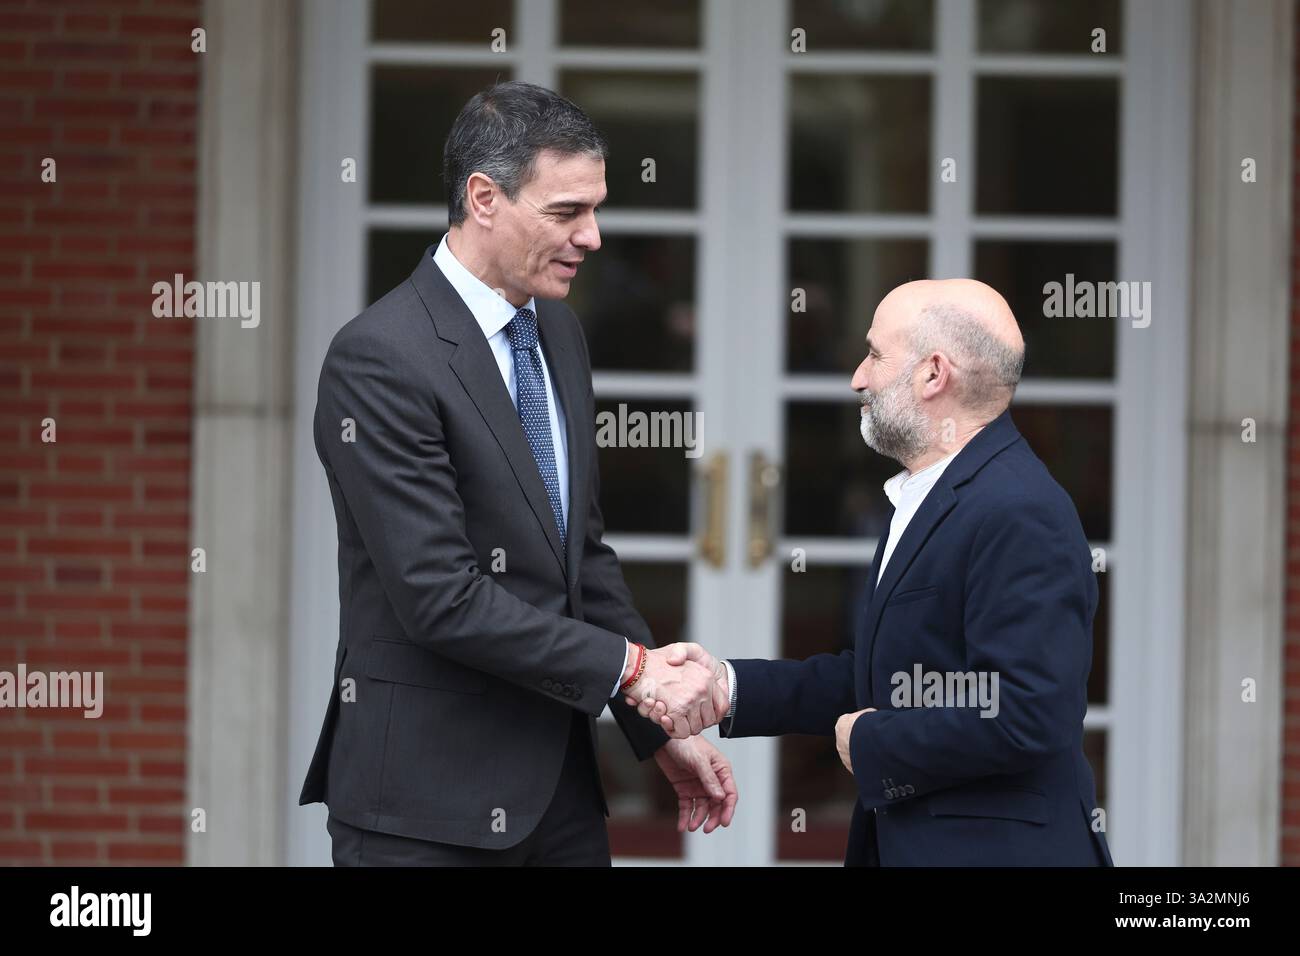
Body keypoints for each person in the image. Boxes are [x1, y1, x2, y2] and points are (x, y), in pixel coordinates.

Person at [299, 80, 735, 866]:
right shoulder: (379, 358)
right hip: (423, 810)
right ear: (483, 199)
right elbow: (440, 597)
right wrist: (635, 671)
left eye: (595, 209)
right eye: (566, 212)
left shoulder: (558, 333)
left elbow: (581, 559)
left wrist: (656, 725)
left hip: (559, 798)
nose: (592, 237)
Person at [633, 279, 1113, 866]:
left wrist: (869, 741)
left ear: (934, 374)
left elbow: (1029, 713)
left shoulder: (1019, 510)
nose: (858, 377)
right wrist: (728, 688)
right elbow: (887, 679)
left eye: (875, 355)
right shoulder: (932, 491)